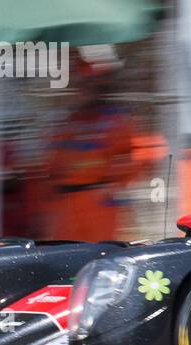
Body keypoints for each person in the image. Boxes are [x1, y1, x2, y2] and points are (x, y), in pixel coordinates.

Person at [42, 53, 135, 242]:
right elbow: (51, 164)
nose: (81, 90)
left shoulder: (116, 121)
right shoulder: (68, 123)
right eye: (80, 85)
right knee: (65, 254)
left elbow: (134, 157)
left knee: (99, 253)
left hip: (98, 204)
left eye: (88, 85)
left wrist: (115, 185)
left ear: (99, 88)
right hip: (66, 205)